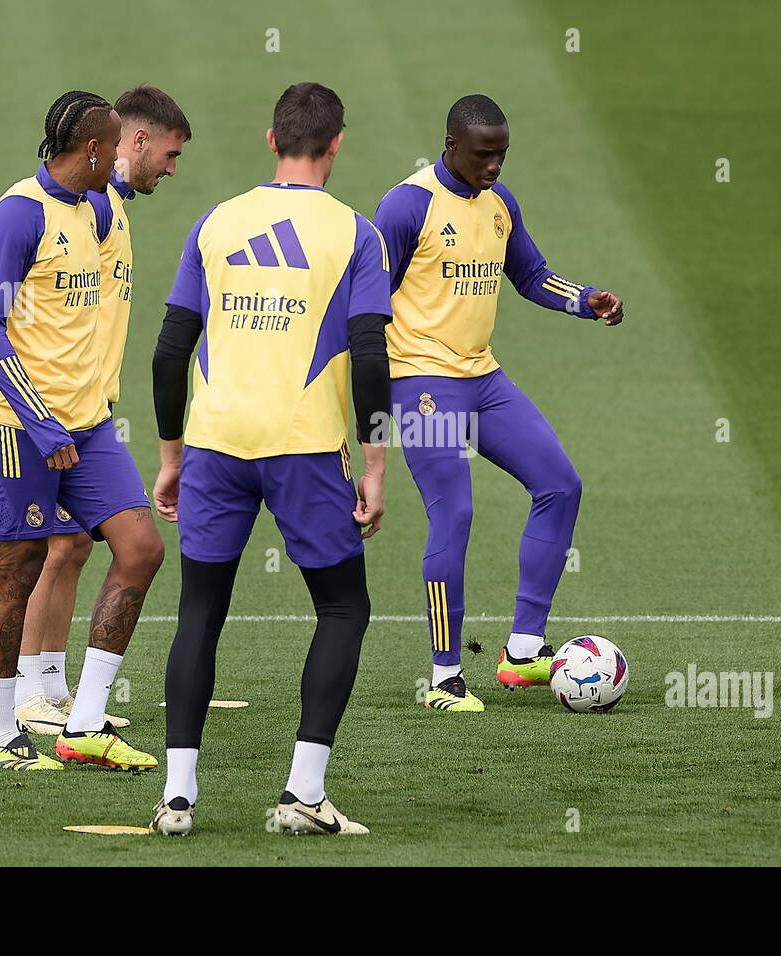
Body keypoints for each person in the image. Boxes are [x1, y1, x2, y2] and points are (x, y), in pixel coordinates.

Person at [149, 83, 392, 835]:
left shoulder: (216, 221)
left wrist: (170, 455)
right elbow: (371, 356)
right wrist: (377, 463)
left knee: (200, 610)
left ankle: (178, 799)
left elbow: (168, 352)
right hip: (304, 448)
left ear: (271, 138)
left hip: (216, 443)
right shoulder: (356, 233)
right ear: (336, 143)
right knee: (344, 608)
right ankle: (302, 794)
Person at [373, 94, 623, 713]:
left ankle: (522, 651)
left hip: (482, 378)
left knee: (561, 484)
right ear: (451, 145)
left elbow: (532, 274)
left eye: (502, 154)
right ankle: (445, 676)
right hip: (421, 383)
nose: (494, 167)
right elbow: (368, 300)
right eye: (484, 155)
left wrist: (583, 299)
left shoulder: (499, 204)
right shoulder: (408, 205)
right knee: (453, 514)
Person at [0, 90, 163, 772]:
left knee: (139, 548)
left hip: (90, 427)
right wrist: (41, 421)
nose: (121, 156)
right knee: (16, 572)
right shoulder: (18, 216)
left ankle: (83, 725)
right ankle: (0, 737)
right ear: (91, 149)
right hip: (24, 428)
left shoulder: (90, 211)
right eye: (114, 146)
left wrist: (80, 417)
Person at [13, 85, 192, 737]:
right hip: (56, 410)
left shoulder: (109, 203)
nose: (170, 170)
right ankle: (29, 692)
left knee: (74, 549)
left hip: (91, 406)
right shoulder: (89, 201)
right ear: (133, 142)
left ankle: (52, 690)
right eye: (167, 155)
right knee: (58, 546)